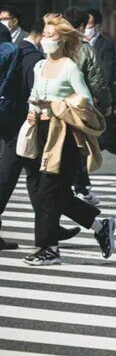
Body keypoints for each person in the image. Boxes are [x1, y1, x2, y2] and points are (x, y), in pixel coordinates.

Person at [23, 14, 116, 266]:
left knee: (46, 192)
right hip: (42, 132)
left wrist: (54, 104)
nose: (45, 39)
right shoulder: (39, 66)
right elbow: (34, 93)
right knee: (58, 195)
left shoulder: (70, 67)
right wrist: (32, 111)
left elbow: (84, 101)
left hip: (64, 134)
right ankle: (100, 226)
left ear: (63, 40)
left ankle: (49, 249)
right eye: (43, 34)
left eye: (50, 36)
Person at [59, 7, 116, 202]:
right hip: (79, 105)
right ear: (80, 26)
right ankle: (80, 188)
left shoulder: (54, 46)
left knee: (61, 146)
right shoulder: (85, 49)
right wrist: (105, 103)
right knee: (79, 145)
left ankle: (72, 186)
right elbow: (98, 80)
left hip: (56, 105)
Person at [0, 23, 51, 251]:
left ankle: (51, 226)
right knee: (9, 176)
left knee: (35, 175)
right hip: (16, 123)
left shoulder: (16, 51)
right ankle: (54, 225)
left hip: (9, 119)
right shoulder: (28, 56)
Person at [82, 8, 116, 183]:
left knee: (102, 138)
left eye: (89, 24)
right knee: (99, 137)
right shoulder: (80, 45)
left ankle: (82, 179)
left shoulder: (106, 45)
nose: (86, 27)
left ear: (97, 26)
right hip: (83, 98)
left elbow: (107, 73)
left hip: (100, 99)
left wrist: (100, 95)